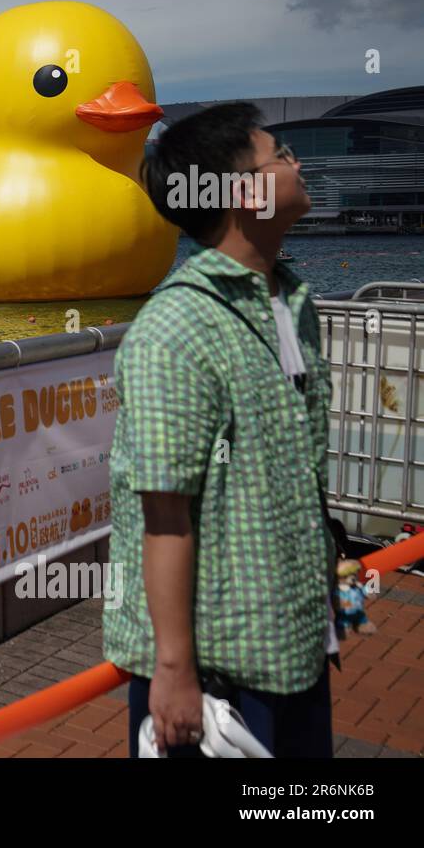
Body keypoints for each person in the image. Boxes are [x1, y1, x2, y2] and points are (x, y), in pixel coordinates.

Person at [103, 102, 341, 758]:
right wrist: (174, 671)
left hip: (295, 641)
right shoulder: (175, 330)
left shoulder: (292, 299)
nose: (296, 165)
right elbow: (165, 512)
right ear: (245, 193)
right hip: (218, 672)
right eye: (281, 157)